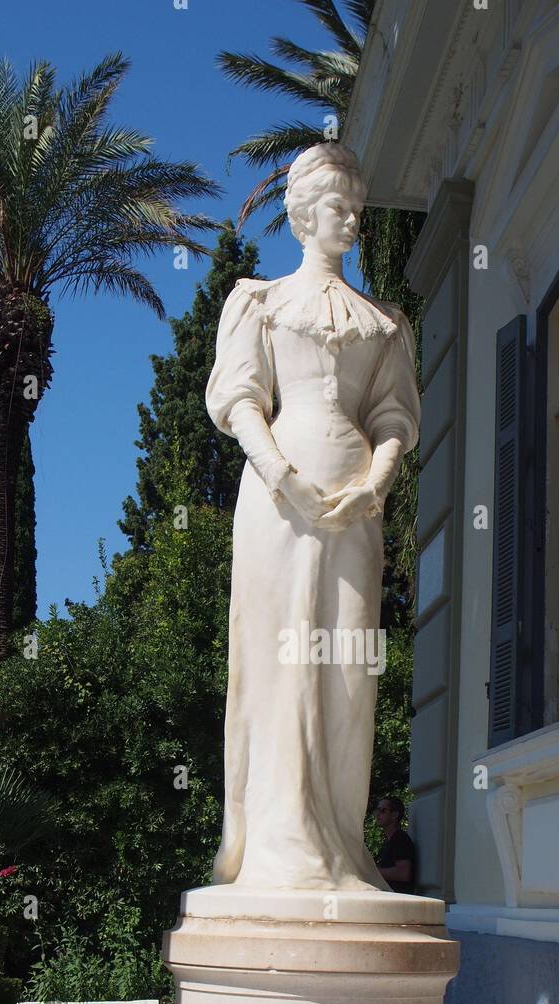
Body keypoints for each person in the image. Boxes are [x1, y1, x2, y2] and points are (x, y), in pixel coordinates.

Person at [205, 144, 420, 893]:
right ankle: (278, 846)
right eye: (339, 207)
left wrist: (377, 485)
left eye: (358, 207)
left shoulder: (385, 323)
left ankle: (342, 847)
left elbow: (396, 414)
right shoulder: (259, 303)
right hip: (278, 502)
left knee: (351, 667)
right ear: (302, 215)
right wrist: (283, 477)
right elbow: (239, 401)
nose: (353, 219)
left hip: (355, 506)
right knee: (278, 661)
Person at [375, 797, 415, 893]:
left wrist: (372, 871)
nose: (378, 814)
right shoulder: (390, 840)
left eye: (383, 810)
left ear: (394, 815)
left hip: (400, 900)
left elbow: (403, 873)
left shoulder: (400, 838)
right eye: (378, 810)